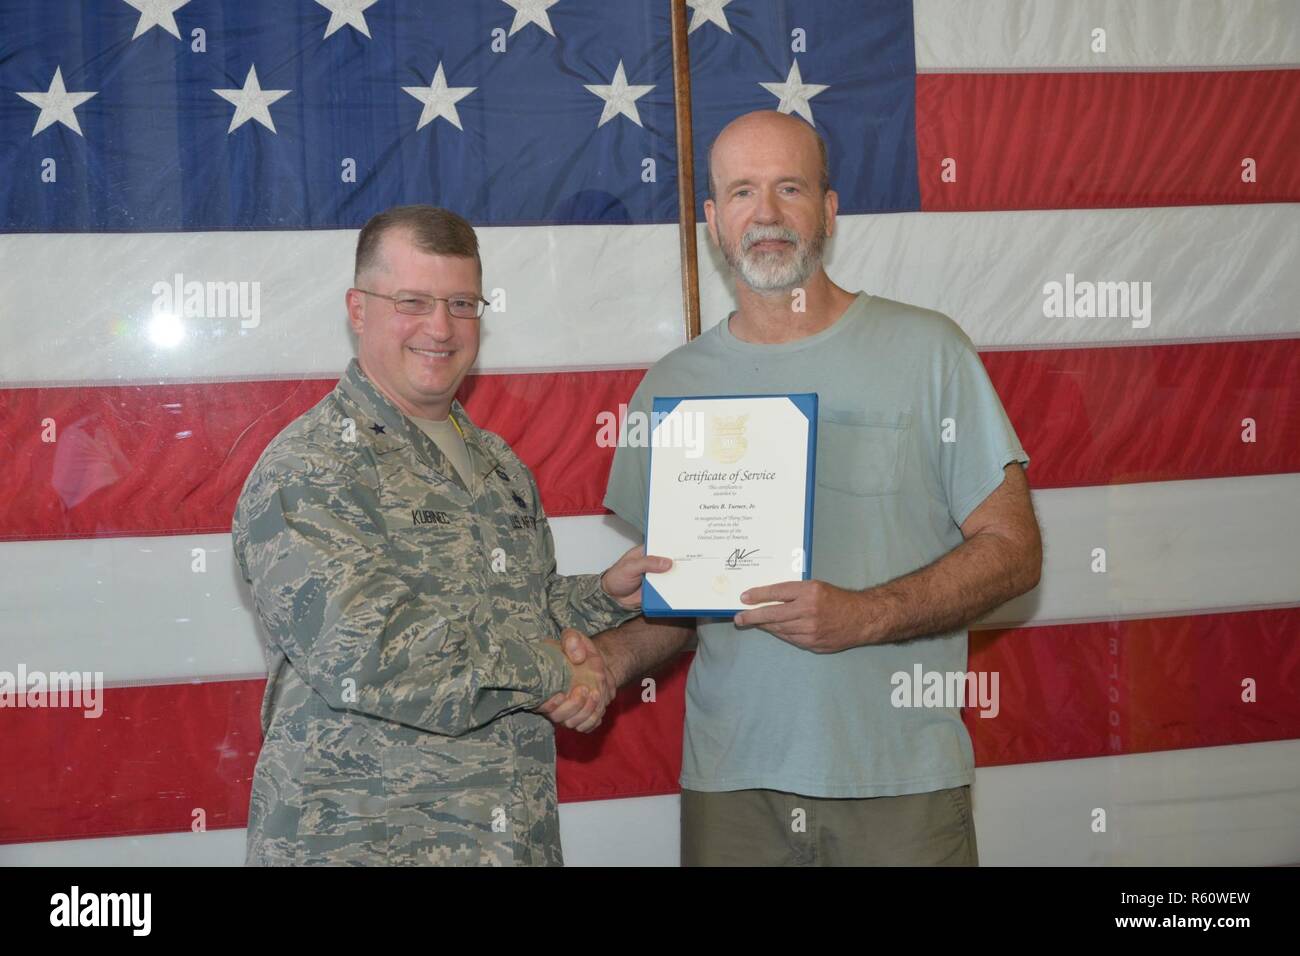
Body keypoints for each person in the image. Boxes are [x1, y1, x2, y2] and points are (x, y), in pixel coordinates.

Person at [574, 110, 1043, 865]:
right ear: (712, 221)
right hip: (734, 791)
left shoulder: (929, 351)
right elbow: (686, 605)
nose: (765, 214)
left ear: (827, 209)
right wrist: (608, 662)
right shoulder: (674, 387)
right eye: (741, 192)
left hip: (900, 786)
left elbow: (1015, 552)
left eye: (789, 188)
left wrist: (864, 615)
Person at [232, 204, 668, 866]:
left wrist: (605, 597)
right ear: (358, 309)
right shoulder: (313, 465)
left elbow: (511, 611)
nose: (441, 328)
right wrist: (563, 669)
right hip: (363, 845)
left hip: (506, 840)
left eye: (462, 304)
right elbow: (372, 652)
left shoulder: (497, 464)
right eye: (413, 301)